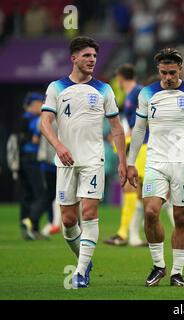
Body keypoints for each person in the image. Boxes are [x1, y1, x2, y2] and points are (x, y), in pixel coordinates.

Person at [40, 36, 127, 288]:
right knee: (68, 221)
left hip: (93, 160)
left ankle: (79, 274)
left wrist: (122, 161)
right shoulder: (56, 87)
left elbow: (116, 128)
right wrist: (59, 146)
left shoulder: (104, 89)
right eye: (87, 56)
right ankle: (84, 261)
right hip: (65, 161)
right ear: (74, 58)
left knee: (89, 213)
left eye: (95, 56)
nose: (92, 60)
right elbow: (45, 123)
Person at [127, 48, 184, 287]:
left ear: (180, 69)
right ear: (158, 71)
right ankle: (158, 265)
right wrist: (130, 162)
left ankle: (177, 272)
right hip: (155, 162)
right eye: (164, 73)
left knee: (181, 218)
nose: (168, 77)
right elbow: (139, 129)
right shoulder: (147, 93)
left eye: (172, 72)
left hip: (183, 162)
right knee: (151, 211)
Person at [104, 63, 146, 247]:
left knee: (132, 189)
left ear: (120, 77)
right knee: (139, 193)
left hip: (142, 146)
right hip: (140, 145)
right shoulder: (131, 94)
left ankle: (123, 234)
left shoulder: (138, 92)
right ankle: (134, 236)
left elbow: (146, 118)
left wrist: (130, 135)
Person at [18, 92, 48, 240]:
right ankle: (31, 223)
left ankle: (28, 227)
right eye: (39, 103)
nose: (42, 105)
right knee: (41, 194)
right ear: (32, 104)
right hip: (32, 160)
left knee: (28, 194)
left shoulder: (23, 119)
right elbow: (36, 139)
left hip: (22, 160)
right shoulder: (33, 120)